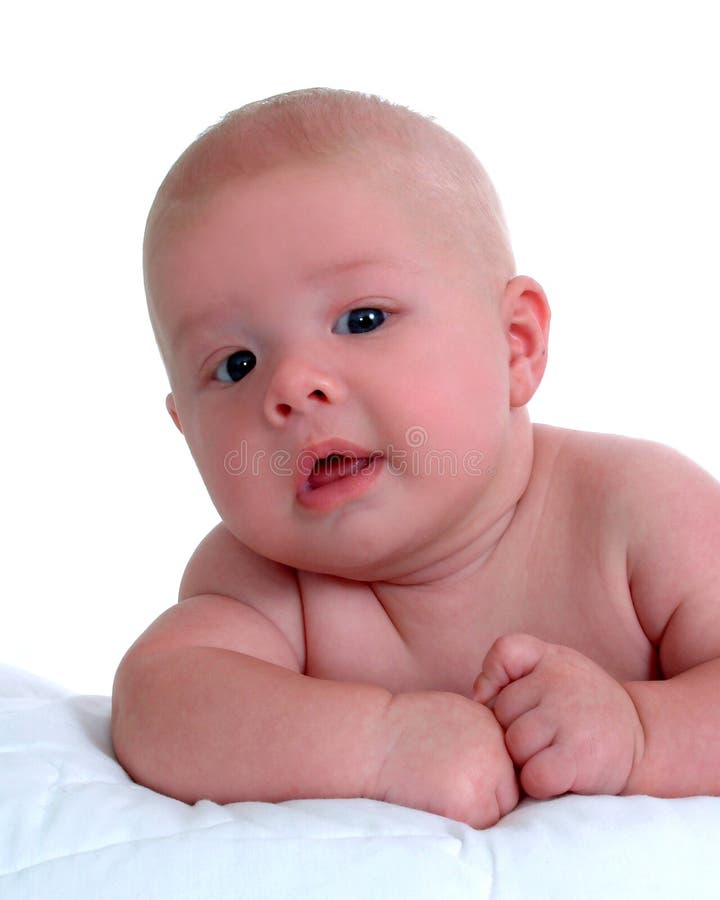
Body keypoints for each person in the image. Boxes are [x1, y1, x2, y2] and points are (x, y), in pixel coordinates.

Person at [111, 88, 720, 829]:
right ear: (185, 431)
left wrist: (639, 732)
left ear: (515, 344)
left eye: (361, 320)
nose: (292, 387)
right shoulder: (264, 585)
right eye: (235, 365)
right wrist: (383, 743)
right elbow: (160, 703)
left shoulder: (640, 511)